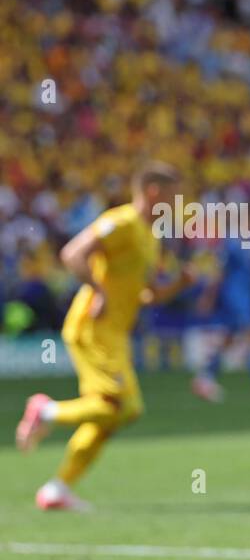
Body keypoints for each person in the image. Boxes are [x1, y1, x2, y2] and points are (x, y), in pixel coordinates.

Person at [15, 163, 194, 510]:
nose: (177, 203)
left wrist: (178, 285)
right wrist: (98, 290)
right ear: (154, 192)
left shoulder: (150, 235)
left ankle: (57, 489)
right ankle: (45, 411)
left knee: (117, 414)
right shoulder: (123, 222)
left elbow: (147, 295)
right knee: (121, 406)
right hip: (93, 327)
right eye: (173, 195)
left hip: (115, 333)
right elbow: (73, 254)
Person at [190, 232, 250, 402]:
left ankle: (205, 378)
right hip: (235, 297)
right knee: (249, 333)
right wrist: (208, 297)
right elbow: (220, 273)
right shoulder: (232, 244)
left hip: (247, 297)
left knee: (231, 338)